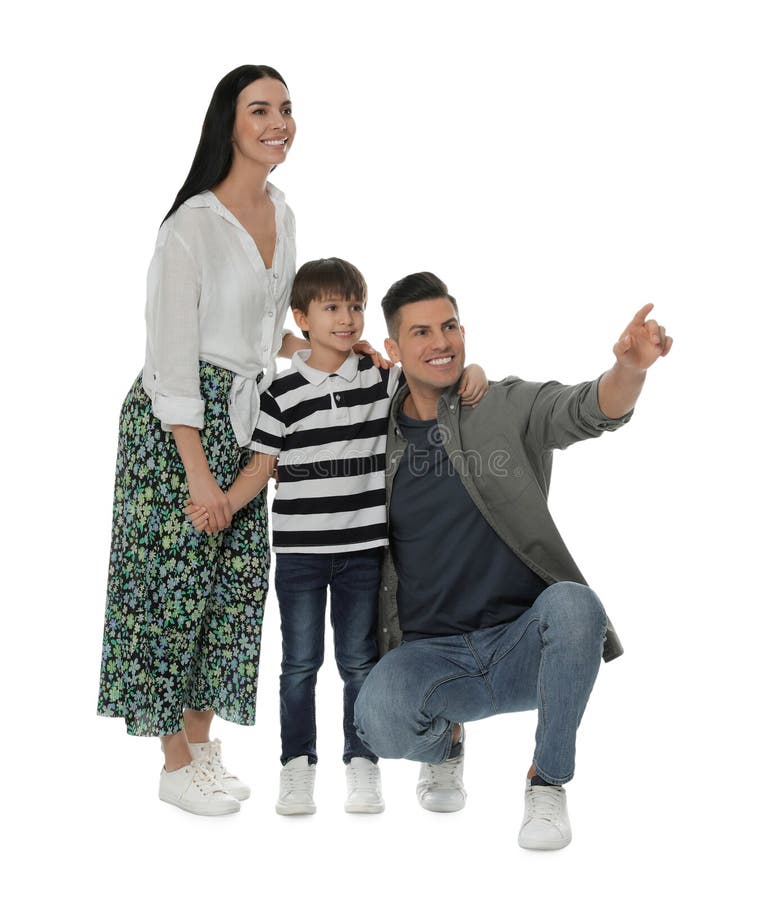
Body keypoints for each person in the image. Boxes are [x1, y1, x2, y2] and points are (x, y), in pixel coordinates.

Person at [354, 272, 672, 849]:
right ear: (394, 351)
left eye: (449, 326)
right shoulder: (371, 432)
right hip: (432, 657)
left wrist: (630, 370)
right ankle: (445, 743)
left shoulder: (503, 403)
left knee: (577, 605)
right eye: (421, 332)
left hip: (524, 646)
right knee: (376, 719)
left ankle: (546, 784)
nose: (440, 342)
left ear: (464, 331)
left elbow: (586, 408)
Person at [185, 258, 488, 815]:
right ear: (301, 318)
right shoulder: (280, 392)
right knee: (300, 664)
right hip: (300, 554)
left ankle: (362, 763)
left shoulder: (378, 378)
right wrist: (224, 502)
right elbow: (260, 466)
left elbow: (431, 379)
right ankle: (296, 767)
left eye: (354, 307)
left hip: (362, 553)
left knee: (358, 662)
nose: (346, 319)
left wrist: (475, 373)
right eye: (331, 308)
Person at [96, 64, 312, 816]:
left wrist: (322, 351)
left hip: (248, 416)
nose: (278, 122)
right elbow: (175, 354)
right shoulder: (190, 225)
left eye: (286, 109)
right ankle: (172, 762)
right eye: (260, 110)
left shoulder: (283, 214)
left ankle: (202, 748)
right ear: (229, 123)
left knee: (234, 589)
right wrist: (196, 470)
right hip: (174, 426)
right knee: (172, 590)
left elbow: (259, 328)